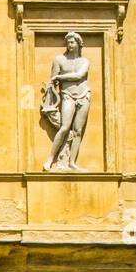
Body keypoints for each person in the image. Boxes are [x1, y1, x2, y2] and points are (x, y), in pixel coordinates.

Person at [42, 31, 90, 172]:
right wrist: (51, 100)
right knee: (64, 127)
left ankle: (72, 163)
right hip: (67, 95)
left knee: (78, 131)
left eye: (72, 42)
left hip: (84, 95)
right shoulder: (59, 60)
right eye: (68, 42)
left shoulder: (85, 61)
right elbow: (52, 82)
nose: (70, 44)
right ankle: (50, 159)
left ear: (79, 43)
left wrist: (60, 77)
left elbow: (79, 75)